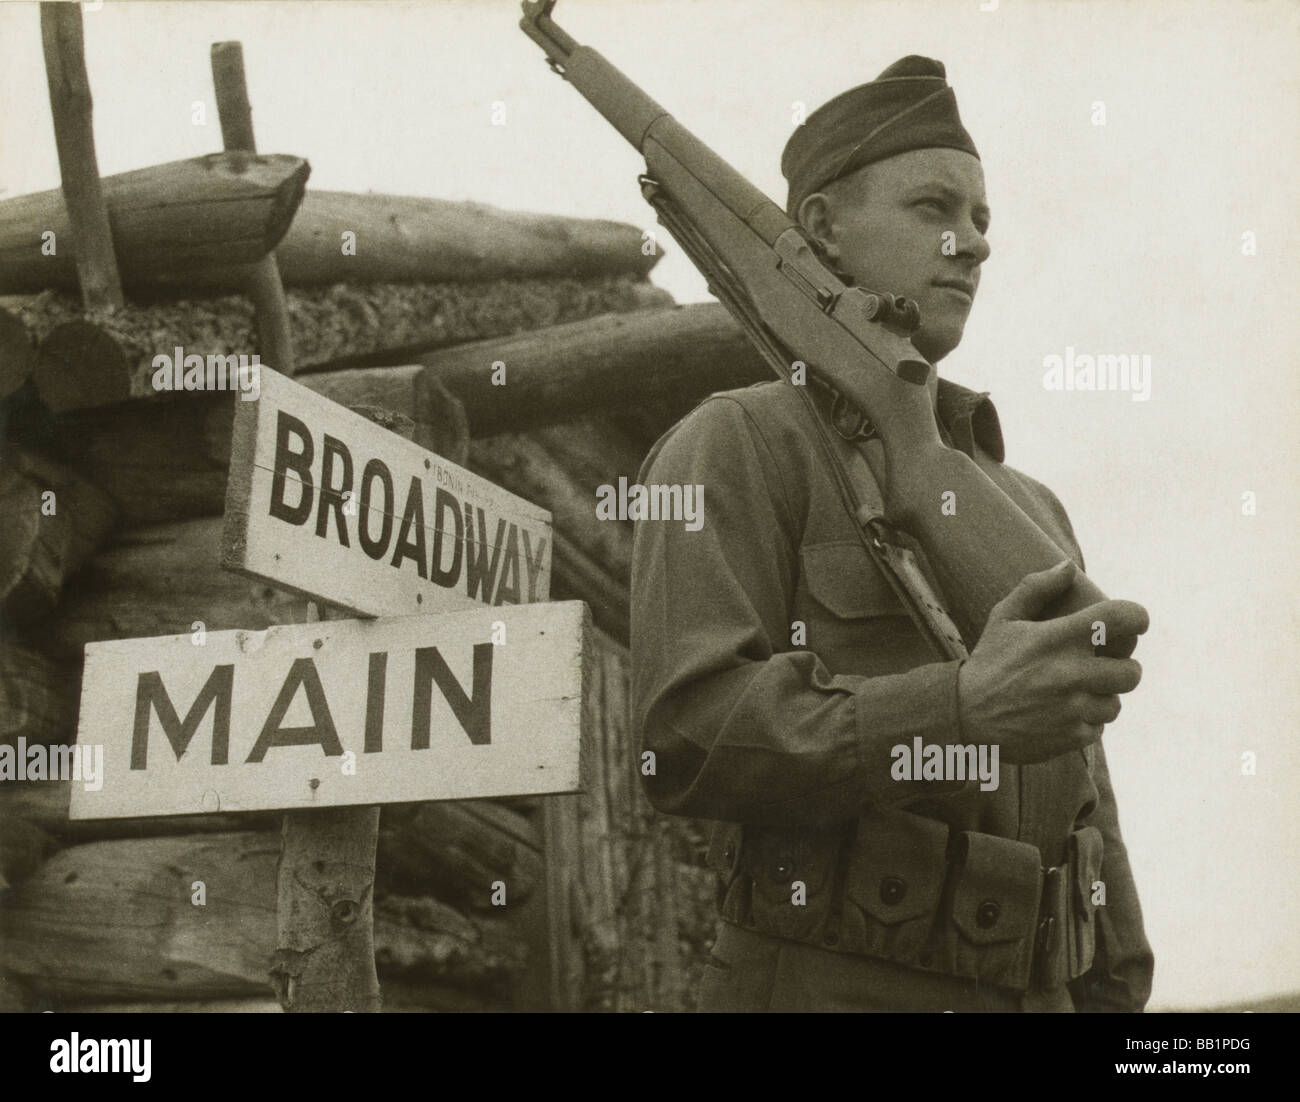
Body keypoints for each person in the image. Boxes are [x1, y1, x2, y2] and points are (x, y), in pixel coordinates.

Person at [629, 56, 1154, 1012]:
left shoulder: (1026, 503)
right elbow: (682, 739)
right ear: (822, 230)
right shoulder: (735, 444)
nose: (974, 244)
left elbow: (1086, 806)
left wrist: (1120, 998)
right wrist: (956, 713)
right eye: (933, 208)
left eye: (984, 219)